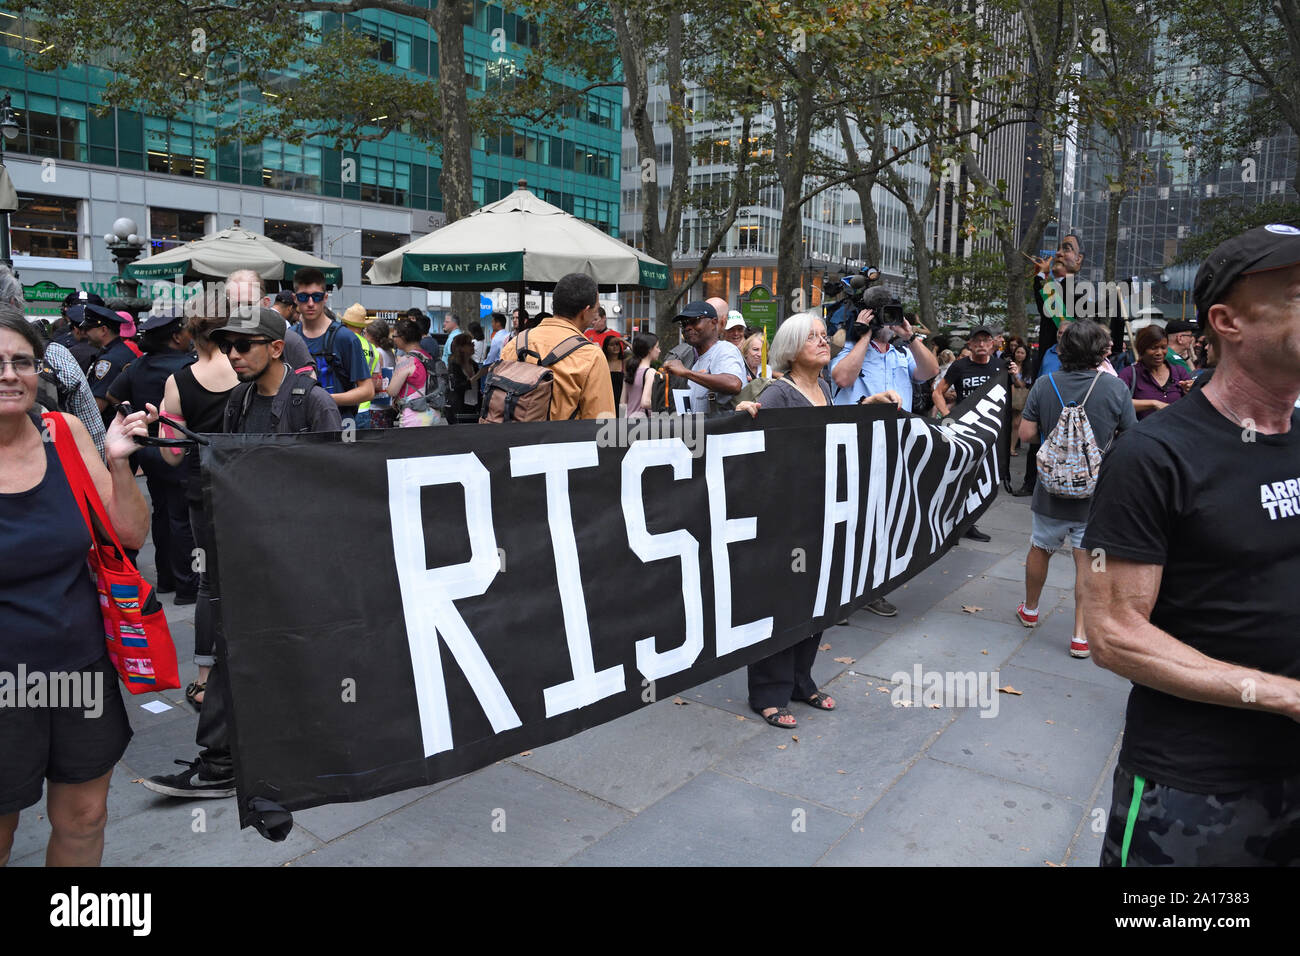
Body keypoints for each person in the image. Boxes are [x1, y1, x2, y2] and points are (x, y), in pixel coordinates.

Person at [1083, 223, 1300, 866]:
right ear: (1228, 322)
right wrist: (1283, 695)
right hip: (1194, 792)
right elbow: (1114, 633)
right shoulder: (1153, 456)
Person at [141, 306, 340, 799]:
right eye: (228, 345)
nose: (232, 354)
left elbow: (337, 481)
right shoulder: (239, 399)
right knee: (237, 653)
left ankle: (270, 752)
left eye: (243, 345)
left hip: (296, 559)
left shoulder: (312, 401)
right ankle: (222, 760)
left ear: (276, 348)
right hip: (248, 551)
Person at [0, 307, 155, 864]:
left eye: (22, 361)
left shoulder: (62, 433)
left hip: (80, 667)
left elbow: (128, 536)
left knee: (86, 817)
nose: (10, 374)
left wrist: (119, 464)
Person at [734, 312, 899, 728]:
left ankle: (799, 680)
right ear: (791, 349)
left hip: (819, 514)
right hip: (785, 520)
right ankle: (768, 693)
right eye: (813, 337)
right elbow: (747, 436)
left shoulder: (824, 387)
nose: (824, 342)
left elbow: (828, 432)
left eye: (824, 335)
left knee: (815, 599)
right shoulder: (779, 393)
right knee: (783, 602)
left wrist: (864, 407)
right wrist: (741, 412)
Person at [1014, 320, 1135, 659]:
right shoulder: (1115, 388)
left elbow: (1025, 434)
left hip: (1050, 490)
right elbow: (1130, 437)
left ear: (1062, 350)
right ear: (1101, 352)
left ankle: (1031, 609)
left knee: (1040, 548)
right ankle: (1080, 635)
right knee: (1088, 561)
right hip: (1096, 493)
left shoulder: (1045, 383)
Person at [157, 306, 240, 711]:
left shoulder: (178, 381)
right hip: (247, 486)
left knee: (209, 583)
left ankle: (205, 680)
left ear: (191, 335)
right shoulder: (246, 368)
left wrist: (163, 418)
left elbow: (171, 454)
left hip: (203, 489)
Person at [105, 306, 199, 604]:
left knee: (161, 513)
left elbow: (113, 395)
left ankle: (166, 578)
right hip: (177, 449)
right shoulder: (188, 366)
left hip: (149, 450)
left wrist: (136, 412)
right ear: (176, 337)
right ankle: (187, 587)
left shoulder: (137, 366)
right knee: (182, 518)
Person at [931, 325, 1015, 543]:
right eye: (976, 341)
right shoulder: (960, 366)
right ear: (969, 343)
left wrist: (1014, 375)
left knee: (981, 478)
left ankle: (968, 522)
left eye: (985, 340)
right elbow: (938, 392)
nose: (981, 344)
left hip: (988, 432)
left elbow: (1012, 392)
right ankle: (951, 523)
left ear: (993, 343)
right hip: (964, 430)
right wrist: (949, 417)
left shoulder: (999, 366)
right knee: (960, 476)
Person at [497, 273, 616, 420]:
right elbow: (601, 422)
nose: (595, 313)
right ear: (585, 312)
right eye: (596, 308)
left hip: (510, 434)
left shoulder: (516, 343)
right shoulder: (591, 356)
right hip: (562, 435)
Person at [291, 268, 374, 421]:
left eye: (316, 296)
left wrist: (324, 399)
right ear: (295, 299)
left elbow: (367, 390)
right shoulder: (289, 337)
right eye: (304, 297)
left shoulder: (345, 338)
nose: (311, 303)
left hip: (337, 423)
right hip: (298, 423)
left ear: (325, 298)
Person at [660, 301, 746, 414]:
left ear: (714, 322)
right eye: (684, 324)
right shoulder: (697, 364)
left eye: (694, 321)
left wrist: (686, 372)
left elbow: (734, 384)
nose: (687, 328)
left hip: (726, 425)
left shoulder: (724, 349)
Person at [224, 270, 315, 377]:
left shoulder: (289, 340)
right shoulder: (220, 341)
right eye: (234, 305)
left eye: (248, 304)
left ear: (266, 303)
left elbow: (309, 383)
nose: (241, 311)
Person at [1116, 325, 1193, 420]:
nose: (1159, 352)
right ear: (1142, 349)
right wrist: (1153, 404)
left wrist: (1190, 390)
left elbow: (1192, 404)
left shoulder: (1179, 372)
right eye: (1153, 348)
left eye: (1163, 347)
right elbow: (1118, 402)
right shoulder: (1130, 374)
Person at [81, 304, 138, 426]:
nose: (85, 333)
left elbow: (97, 407)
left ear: (103, 330)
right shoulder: (122, 352)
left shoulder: (109, 360)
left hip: (111, 426)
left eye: (88, 329)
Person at [388, 318, 446, 428]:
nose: (393, 339)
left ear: (402, 338)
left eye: (394, 336)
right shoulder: (428, 357)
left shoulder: (406, 361)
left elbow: (392, 391)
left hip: (415, 416)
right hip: (434, 414)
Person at [341, 303, 380, 427]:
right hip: (364, 408)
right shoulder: (372, 348)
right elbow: (374, 381)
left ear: (345, 323)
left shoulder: (342, 342)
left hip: (345, 406)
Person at [446, 331, 483, 424]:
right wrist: (477, 376)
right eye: (470, 343)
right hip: (459, 408)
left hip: (474, 406)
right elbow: (457, 387)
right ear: (461, 348)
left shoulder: (474, 365)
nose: (473, 345)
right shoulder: (454, 365)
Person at [624, 331, 659, 418]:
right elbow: (645, 402)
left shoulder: (630, 370)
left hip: (628, 420)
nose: (659, 350)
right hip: (643, 422)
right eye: (657, 347)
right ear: (650, 349)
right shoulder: (650, 372)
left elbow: (623, 403)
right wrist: (664, 405)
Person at [1010, 343, 1032, 454]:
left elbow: (1023, 385)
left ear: (1026, 355)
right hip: (1007, 396)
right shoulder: (1008, 364)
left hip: (1019, 398)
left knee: (1016, 424)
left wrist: (1015, 376)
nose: (1019, 355)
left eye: (1022, 353)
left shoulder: (1027, 368)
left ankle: (1012, 448)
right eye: (1018, 352)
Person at [602, 335, 625, 403]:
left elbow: (640, 357)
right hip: (605, 400)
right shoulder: (602, 362)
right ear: (606, 347)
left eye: (617, 344)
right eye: (612, 345)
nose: (615, 347)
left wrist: (624, 342)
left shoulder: (625, 363)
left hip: (621, 401)